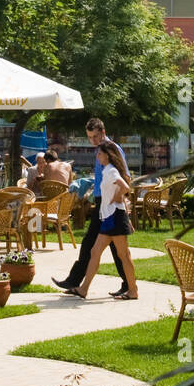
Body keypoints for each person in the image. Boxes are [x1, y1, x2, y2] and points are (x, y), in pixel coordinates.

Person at [53, 118, 131, 297]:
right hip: (102, 202)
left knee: (100, 244)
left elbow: (124, 175)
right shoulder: (101, 150)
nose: (93, 141)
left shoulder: (112, 149)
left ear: (103, 132)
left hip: (109, 204)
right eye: (90, 137)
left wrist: (118, 199)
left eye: (96, 136)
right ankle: (125, 284)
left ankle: (77, 282)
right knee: (102, 245)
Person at [70, 142, 137, 299]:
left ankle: (133, 290)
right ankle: (84, 289)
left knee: (123, 255)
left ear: (107, 155)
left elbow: (125, 187)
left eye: (99, 154)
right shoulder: (107, 170)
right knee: (95, 251)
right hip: (109, 218)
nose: (97, 156)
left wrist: (117, 196)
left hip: (114, 218)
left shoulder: (111, 171)